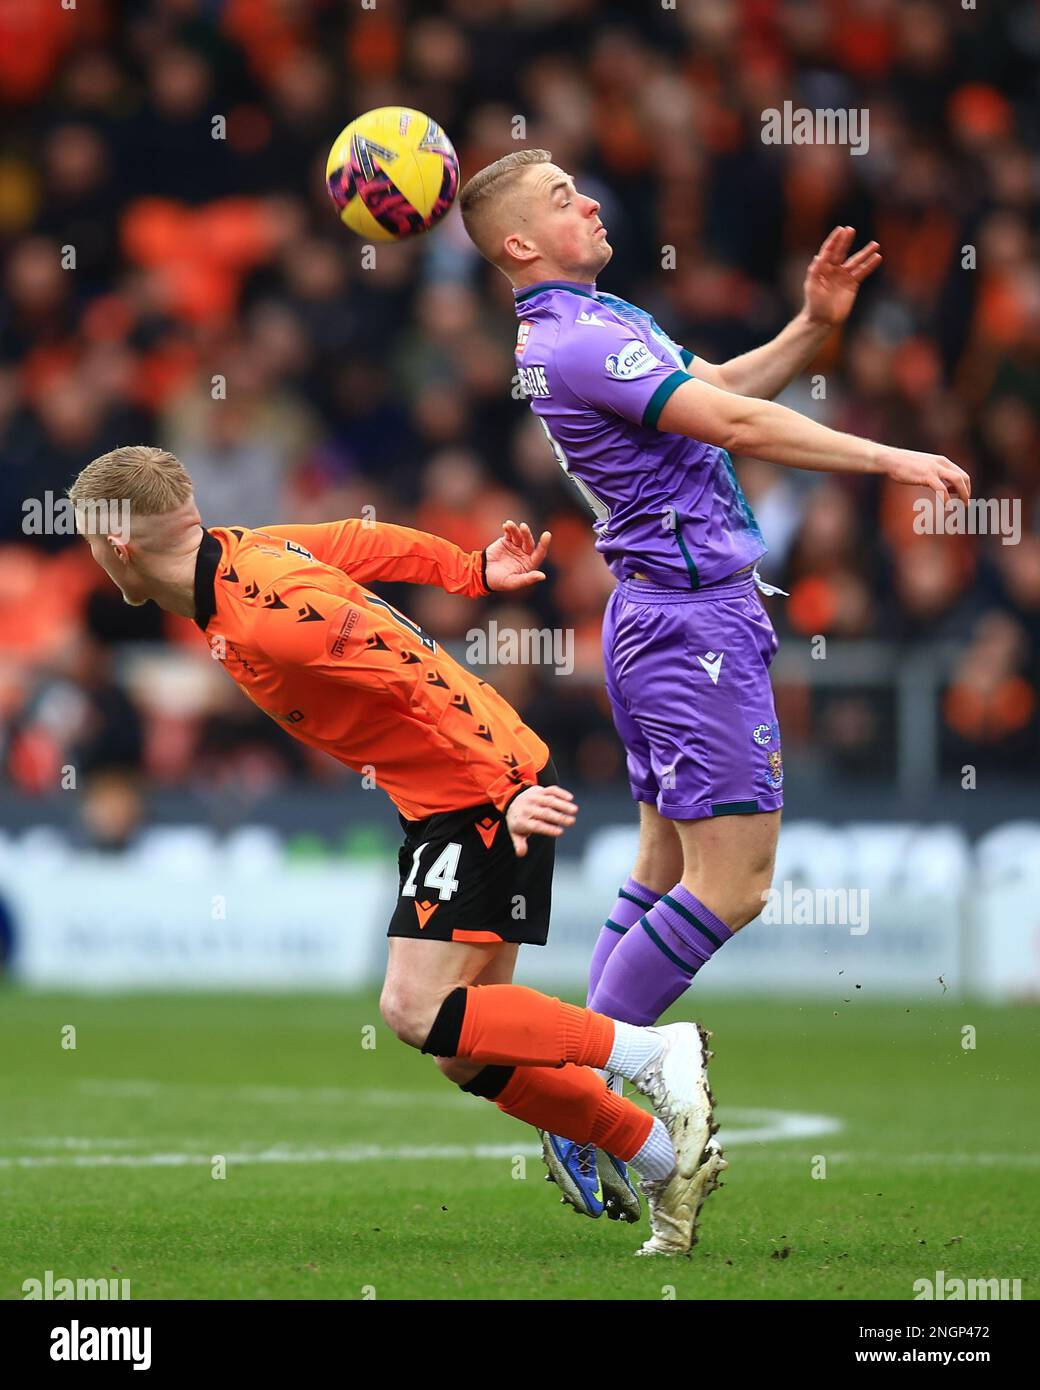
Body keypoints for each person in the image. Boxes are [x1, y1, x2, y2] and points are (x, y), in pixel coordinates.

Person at [459, 149, 971, 1220]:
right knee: (731, 883)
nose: (589, 199)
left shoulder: (587, 322)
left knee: (659, 861)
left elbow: (717, 394)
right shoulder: (581, 337)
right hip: (687, 626)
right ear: (516, 243)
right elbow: (733, 427)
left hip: (661, 614)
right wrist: (889, 460)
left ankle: (571, 1094)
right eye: (560, 198)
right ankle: (580, 1099)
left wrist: (808, 329)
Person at [68, 443, 728, 1256]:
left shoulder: (263, 607)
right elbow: (362, 539)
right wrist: (470, 571)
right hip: (454, 794)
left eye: (91, 544)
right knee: (466, 1047)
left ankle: (658, 1052)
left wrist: (505, 786)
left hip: (478, 791)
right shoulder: (247, 558)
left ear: (117, 545)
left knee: (417, 1012)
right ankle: (664, 1162)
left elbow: (415, 675)